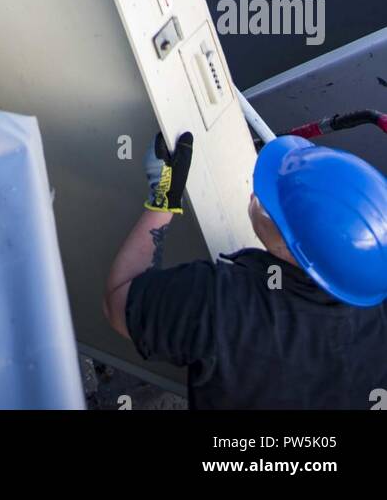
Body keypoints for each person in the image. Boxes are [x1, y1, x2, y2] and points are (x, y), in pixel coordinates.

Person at [103, 130, 387, 409]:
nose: (255, 193)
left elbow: (118, 302)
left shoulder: (219, 304)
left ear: (289, 250)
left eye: (267, 205)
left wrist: (163, 200)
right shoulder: (373, 303)